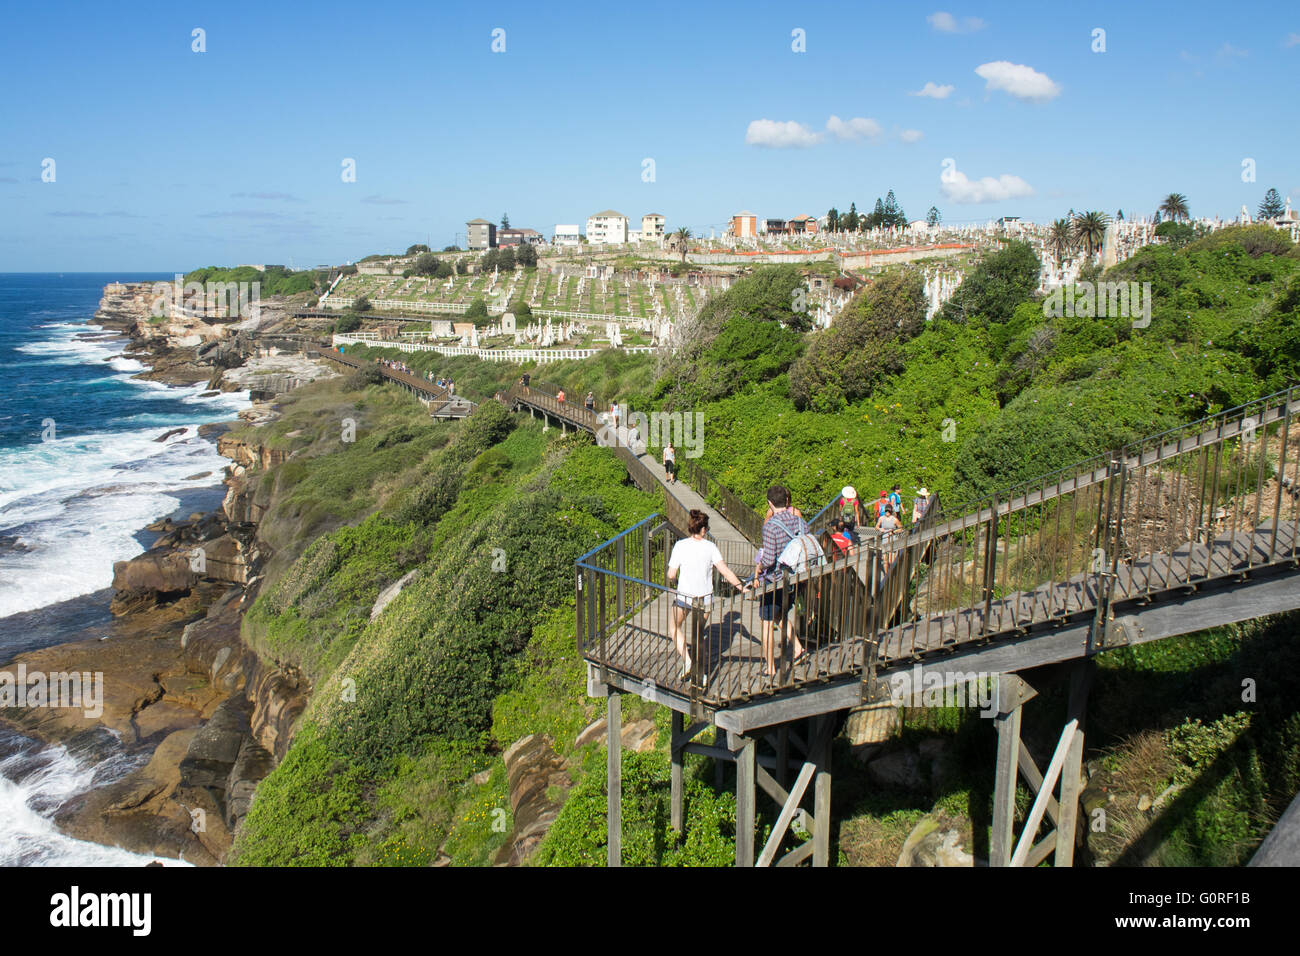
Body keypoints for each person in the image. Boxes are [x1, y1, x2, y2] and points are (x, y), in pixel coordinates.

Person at [667, 510, 744, 681]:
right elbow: (724, 570)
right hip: (705, 599)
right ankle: (701, 675)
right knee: (698, 636)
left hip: (684, 596)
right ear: (703, 529)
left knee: (674, 627)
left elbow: (671, 574)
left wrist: (676, 582)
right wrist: (741, 587)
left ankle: (687, 661)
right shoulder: (711, 548)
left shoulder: (680, 545)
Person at [748, 485, 809, 677]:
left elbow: (768, 560)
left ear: (770, 503)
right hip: (796, 579)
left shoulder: (771, 526)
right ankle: (798, 649)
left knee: (766, 623)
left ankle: (770, 668)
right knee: (780, 615)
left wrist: (758, 569)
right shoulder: (801, 523)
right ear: (787, 501)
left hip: (774, 581)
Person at [876, 504, 902, 571]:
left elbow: (900, 528)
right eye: (886, 511)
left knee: (891, 560)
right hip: (884, 539)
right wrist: (880, 529)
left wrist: (894, 532)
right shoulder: (881, 518)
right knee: (885, 560)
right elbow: (876, 526)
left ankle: (892, 573)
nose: (887, 512)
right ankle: (886, 575)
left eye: (889, 511)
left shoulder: (894, 519)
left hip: (892, 539)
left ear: (891, 512)